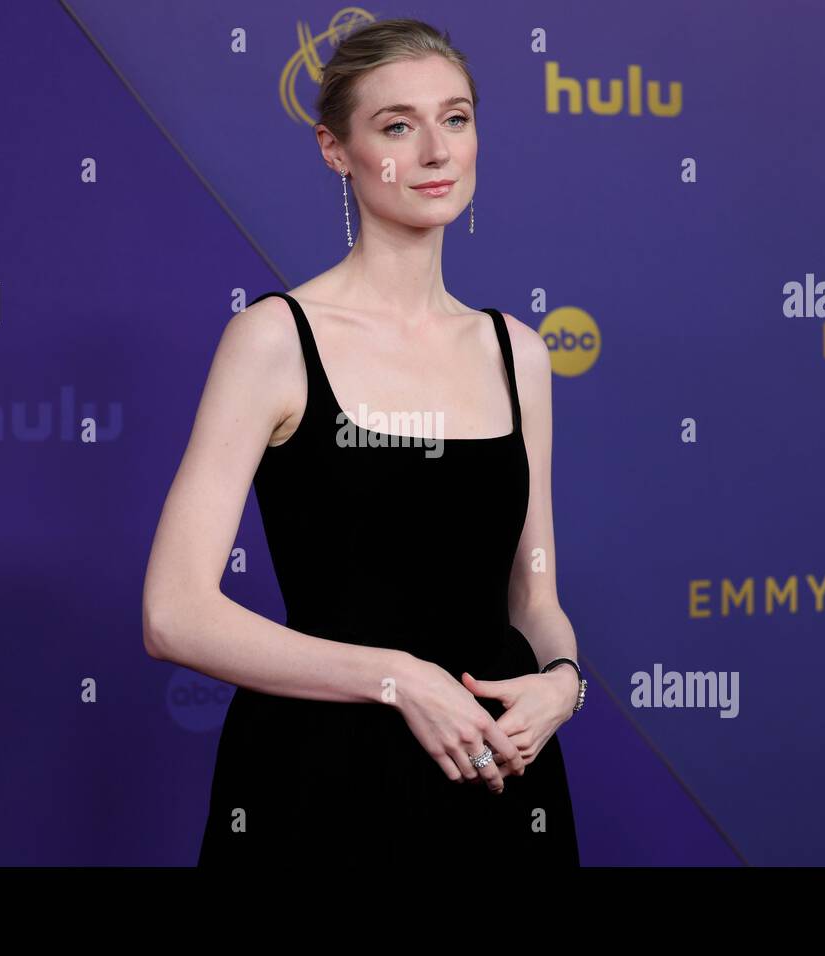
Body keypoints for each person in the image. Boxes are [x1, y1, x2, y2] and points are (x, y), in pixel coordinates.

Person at [142, 17, 584, 864]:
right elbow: (174, 614)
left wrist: (562, 687)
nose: (434, 151)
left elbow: (533, 599)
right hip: (320, 784)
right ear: (334, 149)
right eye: (396, 125)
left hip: (495, 782)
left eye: (455, 119)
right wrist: (399, 677)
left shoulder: (518, 352)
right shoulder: (274, 340)